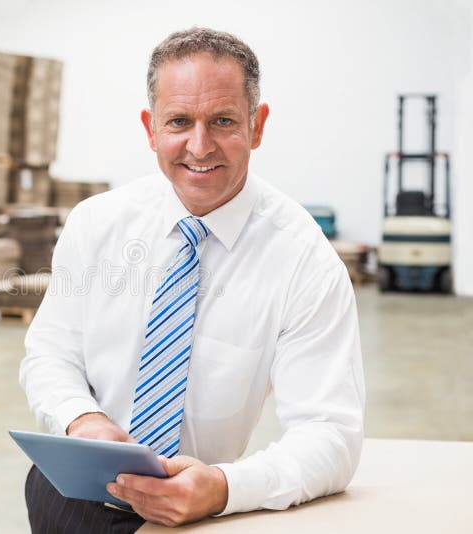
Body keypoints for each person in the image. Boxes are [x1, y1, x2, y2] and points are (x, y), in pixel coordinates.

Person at [19, 27, 365, 531]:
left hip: (196, 515)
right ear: (151, 128)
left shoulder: (303, 262)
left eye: (223, 121)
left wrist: (225, 488)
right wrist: (81, 418)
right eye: (179, 121)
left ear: (257, 125)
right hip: (68, 495)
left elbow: (330, 434)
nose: (199, 147)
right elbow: (50, 353)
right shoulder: (96, 224)